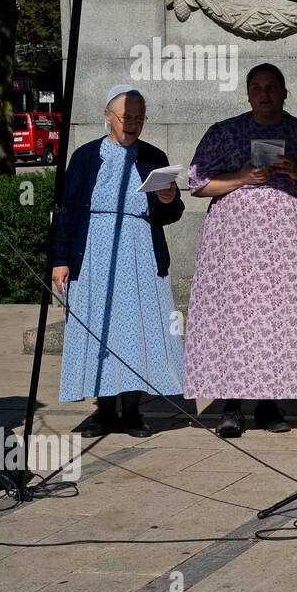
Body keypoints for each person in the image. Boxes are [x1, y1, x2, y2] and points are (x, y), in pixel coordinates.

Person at [184, 63, 297, 437]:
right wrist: (243, 177)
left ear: (285, 92)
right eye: (257, 88)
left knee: (278, 321)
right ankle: (231, 406)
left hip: (289, 247)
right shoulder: (224, 131)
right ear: (248, 94)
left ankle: (270, 403)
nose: (264, 94)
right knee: (235, 319)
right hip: (237, 247)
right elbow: (198, 183)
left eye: (271, 87)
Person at [54, 85, 184, 437]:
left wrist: (168, 199)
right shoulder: (85, 157)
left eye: (139, 118)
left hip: (140, 254)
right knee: (101, 329)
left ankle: (133, 411)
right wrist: (61, 258)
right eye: (127, 117)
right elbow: (67, 211)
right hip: (95, 256)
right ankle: (105, 410)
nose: (133, 124)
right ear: (108, 117)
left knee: (136, 331)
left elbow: (171, 213)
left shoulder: (153, 156)